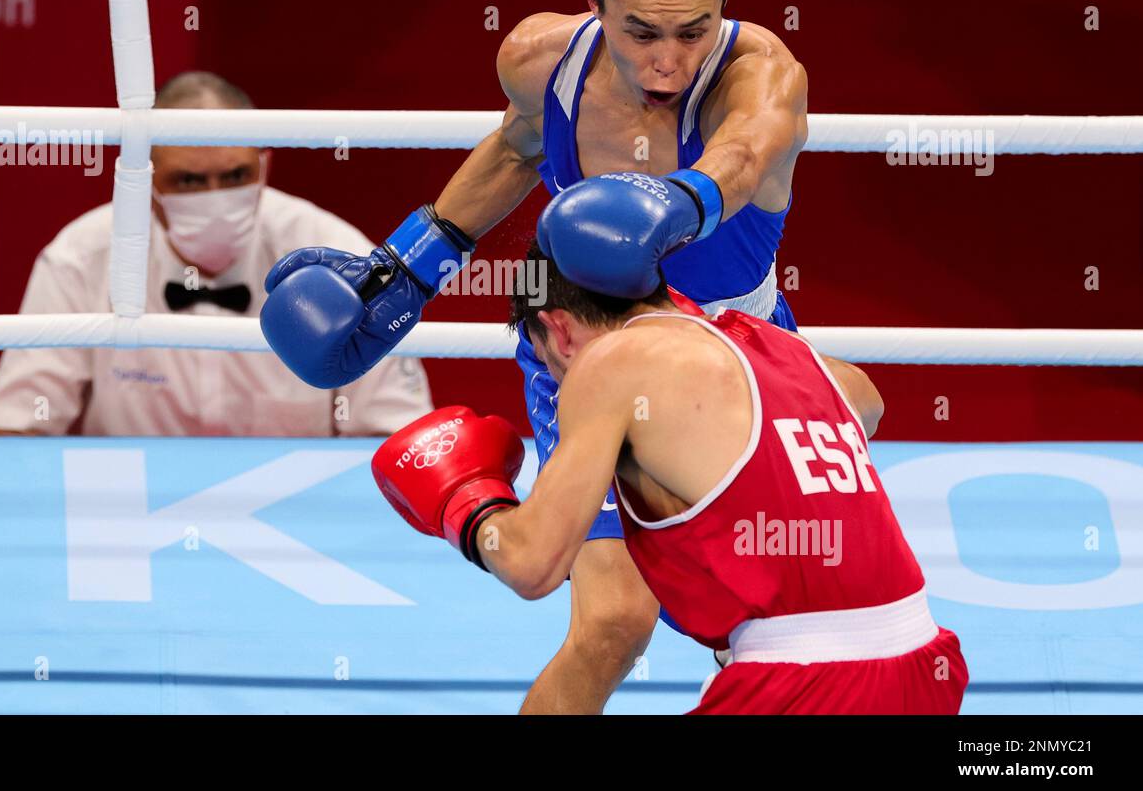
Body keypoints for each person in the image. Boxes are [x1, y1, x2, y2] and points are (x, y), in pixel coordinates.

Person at [261, 0, 807, 712]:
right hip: (580, 349)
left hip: (736, 357)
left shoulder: (760, 75)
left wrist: (676, 204)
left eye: (692, 31)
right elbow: (518, 147)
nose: (668, 61)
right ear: (594, 4)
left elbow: (741, 154)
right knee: (615, 621)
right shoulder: (538, 59)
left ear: (725, 5)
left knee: (776, 617)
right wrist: (402, 270)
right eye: (641, 32)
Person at [370, 244, 968, 714]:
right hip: (927, 665)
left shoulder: (609, 366)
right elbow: (869, 406)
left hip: (799, 686)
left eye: (549, 364)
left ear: (557, 330)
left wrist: (467, 505)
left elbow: (530, 564)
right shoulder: (787, 352)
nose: (557, 382)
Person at [0, 71, 432, 436]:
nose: (215, 199)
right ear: (144, 178)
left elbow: (393, 432)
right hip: (126, 513)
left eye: (236, 175)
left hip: (295, 516)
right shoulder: (81, 258)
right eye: (189, 182)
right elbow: (17, 428)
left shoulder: (341, 256)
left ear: (264, 166)